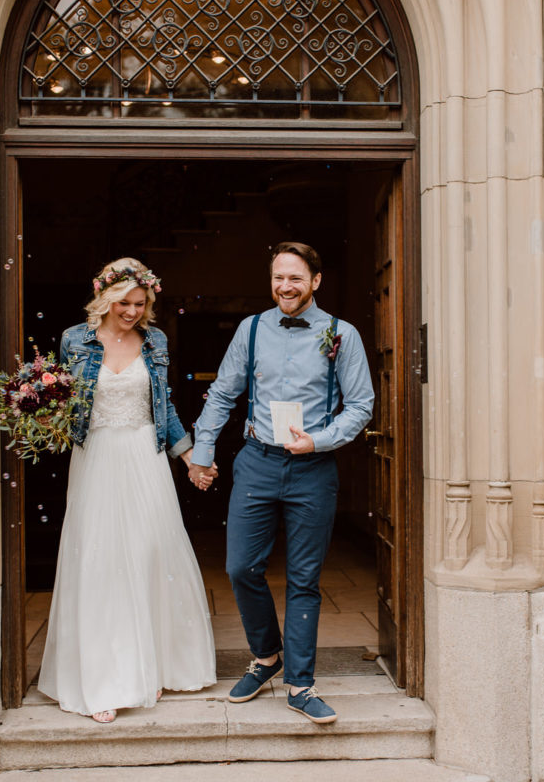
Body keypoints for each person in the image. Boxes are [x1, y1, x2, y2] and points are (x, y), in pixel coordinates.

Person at [188, 242, 374, 724]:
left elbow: (360, 407)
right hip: (257, 461)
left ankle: (301, 684)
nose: (284, 287)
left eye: (295, 278)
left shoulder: (341, 334)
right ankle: (267, 657)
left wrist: (321, 441)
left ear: (316, 281)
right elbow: (223, 393)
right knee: (240, 567)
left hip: (313, 468)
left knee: (304, 578)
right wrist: (202, 453)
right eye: (277, 278)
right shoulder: (251, 330)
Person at [39, 258, 217, 723]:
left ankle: (147, 667)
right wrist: (38, 414)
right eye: (124, 303)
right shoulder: (74, 340)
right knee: (100, 562)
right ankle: (105, 681)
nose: (132, 312)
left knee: (147, 556)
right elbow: (58, 400)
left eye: (140, 304)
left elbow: (164, 405)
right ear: (104, 298)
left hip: (145, 456)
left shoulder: (154, 341)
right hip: (96, 456)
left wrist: (189, 457)